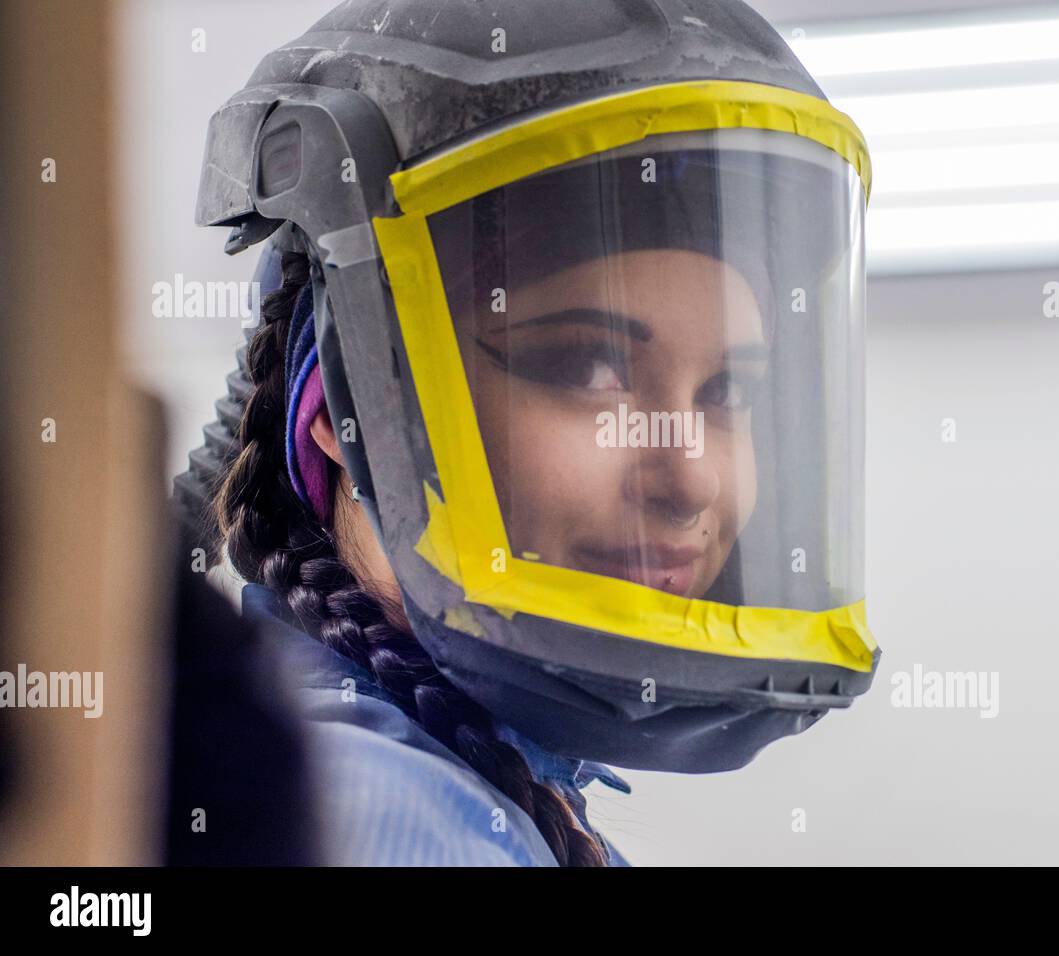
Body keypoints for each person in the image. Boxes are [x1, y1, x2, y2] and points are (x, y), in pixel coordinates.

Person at [177, 0, 881, 867]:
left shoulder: (481, 786)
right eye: (588, 368)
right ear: (343, 416)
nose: (692, 478)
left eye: (727, 389)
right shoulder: (387, 821)